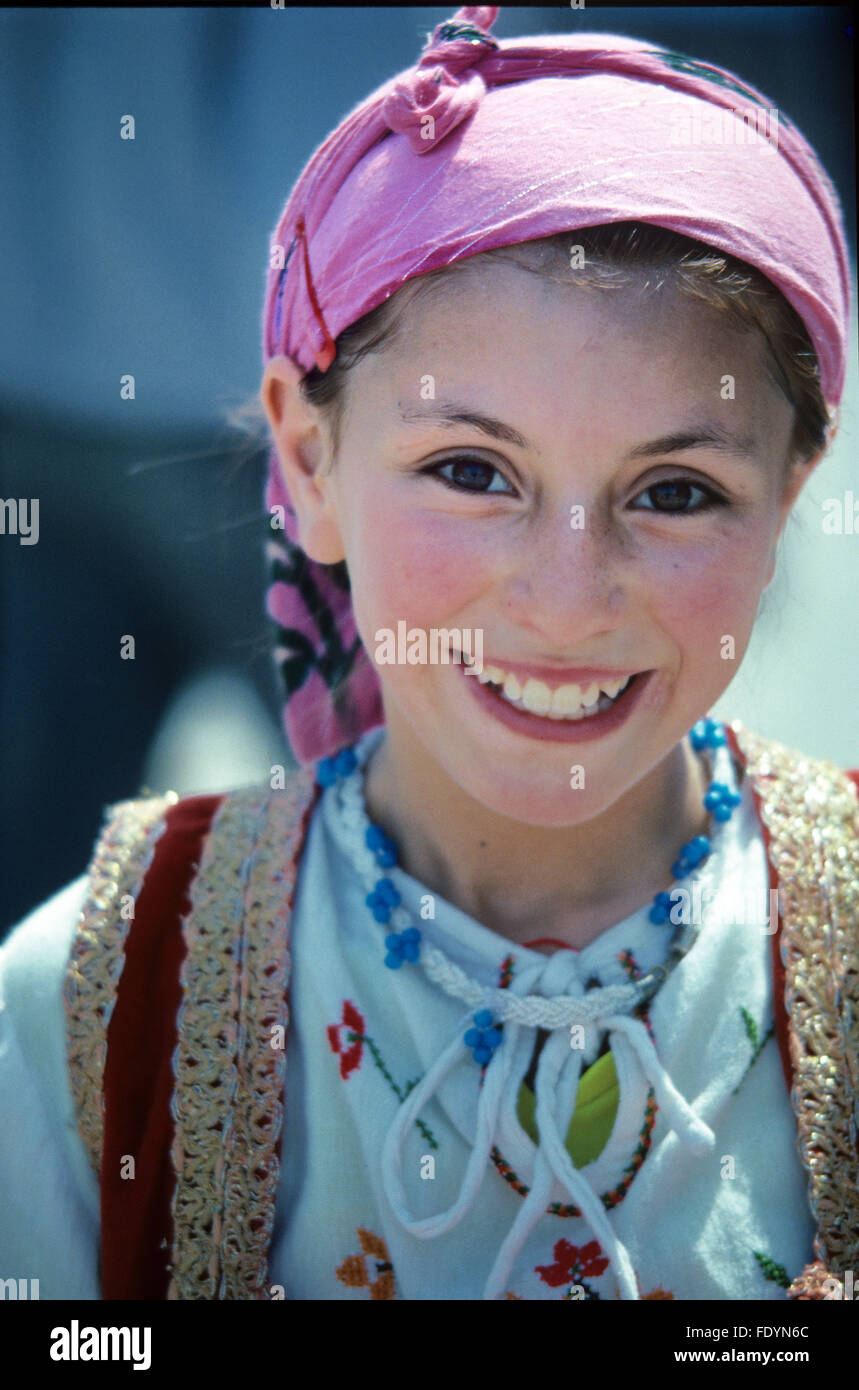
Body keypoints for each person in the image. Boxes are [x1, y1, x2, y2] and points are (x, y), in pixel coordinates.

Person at [1, 6, 856, 1302]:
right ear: (308, 460)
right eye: (472, 470)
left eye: (675, 490)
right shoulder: (87, 998)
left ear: (791, 488)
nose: (570, 600)